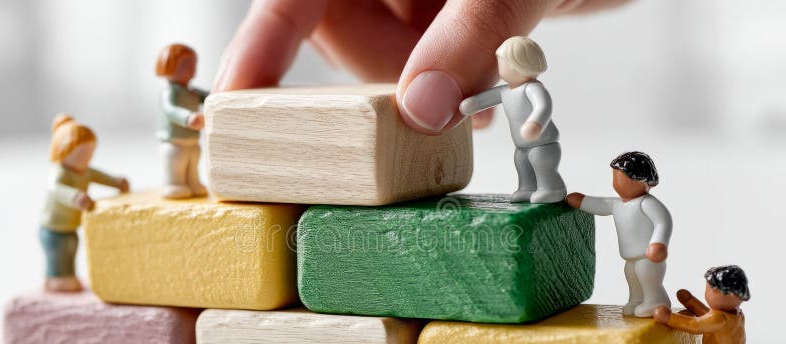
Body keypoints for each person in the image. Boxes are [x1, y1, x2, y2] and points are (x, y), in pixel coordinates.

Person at [212, 0, 630, 135]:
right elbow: (490, 98)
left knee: (534, 171)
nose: (496, 62)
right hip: (529, 147)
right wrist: (467, 105)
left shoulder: (531, 89)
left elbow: (534, 108)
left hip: (537, 147)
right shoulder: (514, 89)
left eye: (502, 59)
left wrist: (537, 126)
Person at [459, 36, 566, 203]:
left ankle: (552, 188)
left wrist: (535, 123)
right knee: (522, 163)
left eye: (503, 62)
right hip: (522, 146)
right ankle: (527, 188)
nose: (499, 66)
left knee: (541, 164)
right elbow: (485, 100)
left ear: (520, 64)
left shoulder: (532, 88)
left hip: (542, 144)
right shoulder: (505, 91)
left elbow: (544, 106)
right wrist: (473, 104)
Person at [566, 152, 672, 317]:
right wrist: (582, 201)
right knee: (632, 275)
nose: (617, 182)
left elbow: (663, 221)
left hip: (648, 257)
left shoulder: (647, 203)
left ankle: (655, 301)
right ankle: (636, 300)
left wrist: (659, 243)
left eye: (622, 178)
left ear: (641, 180)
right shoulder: (618, 204)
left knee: (647, 275)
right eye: (615, 178)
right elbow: (601, 205)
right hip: (630, 257)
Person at [41, 114, 130, 292]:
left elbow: (99, 176)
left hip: (69, 227)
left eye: (90, 154)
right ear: (64, 150)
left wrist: (116, 182)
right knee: (59, 255)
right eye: (82, 154)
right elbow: (56, 188)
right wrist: (75, 197)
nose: (87, 159)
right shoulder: (61, 173)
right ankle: (55, 279)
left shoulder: (85, 171)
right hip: (53, 228)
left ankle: (66, 277)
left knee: (71, 250)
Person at [156, 43, 209, 199]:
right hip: (174, 142)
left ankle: (193, 182)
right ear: (168, 66)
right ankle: (174, 184)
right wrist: (188, 118)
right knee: (176, 164)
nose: (192, 68)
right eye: (186, 65)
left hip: (192, 141)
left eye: (194, 64)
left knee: (192, 163)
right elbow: (170, 109)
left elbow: (209, 97)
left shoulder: (192, 91)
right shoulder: (170, 92)